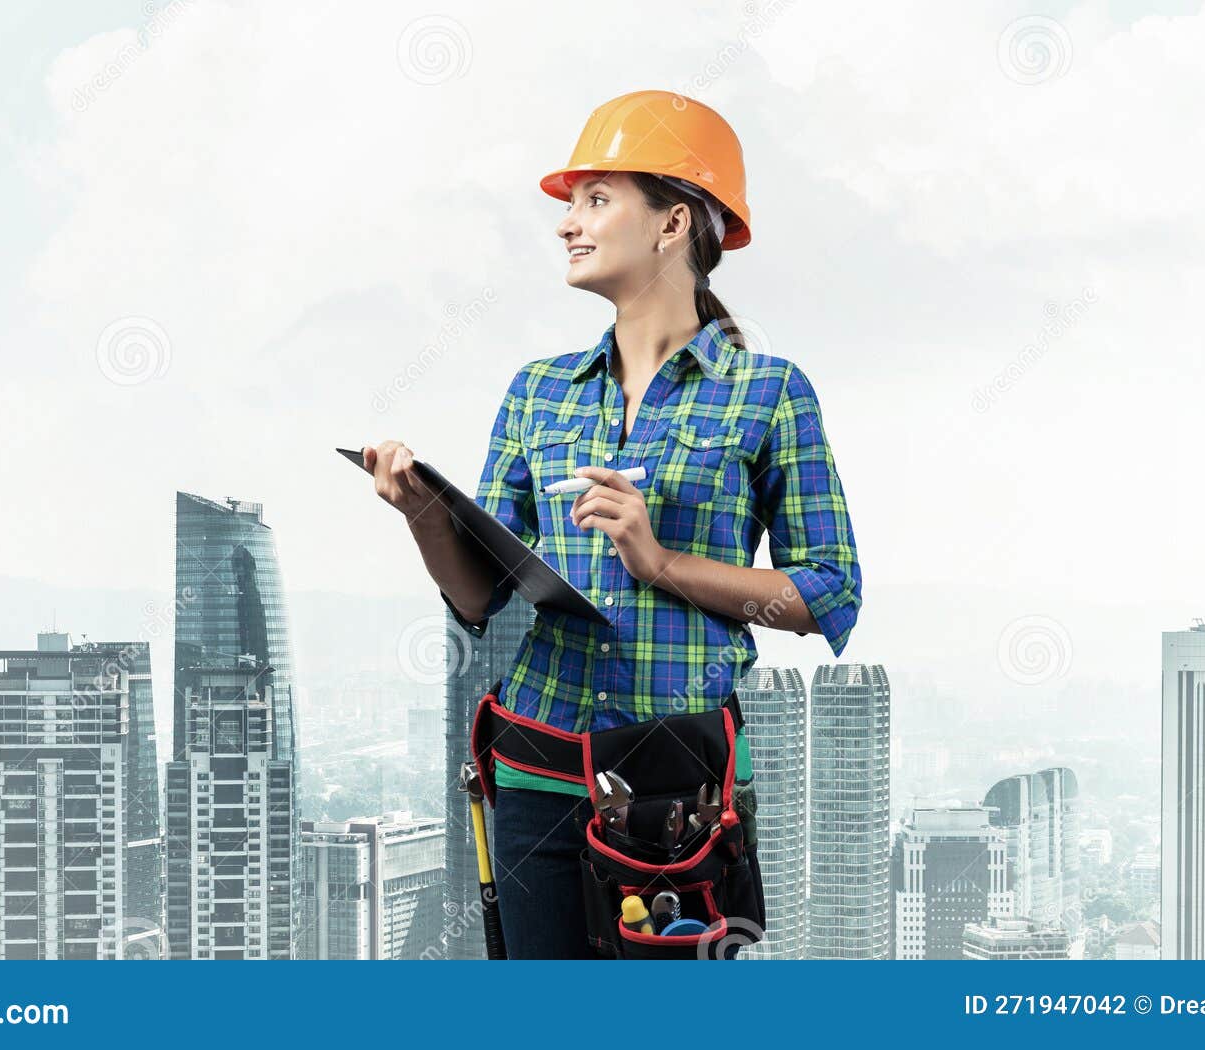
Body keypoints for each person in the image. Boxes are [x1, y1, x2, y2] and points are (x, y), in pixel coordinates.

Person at [365, 89, 861, 958]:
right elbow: (479, 599)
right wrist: (425, 518)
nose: (567, 225)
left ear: (674, 224)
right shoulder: (539, 390)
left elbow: (828, 594)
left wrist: (659, 560)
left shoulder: (771, 392)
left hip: (675, 795)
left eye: (596, 200)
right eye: (569, 205)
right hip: (533, 771)